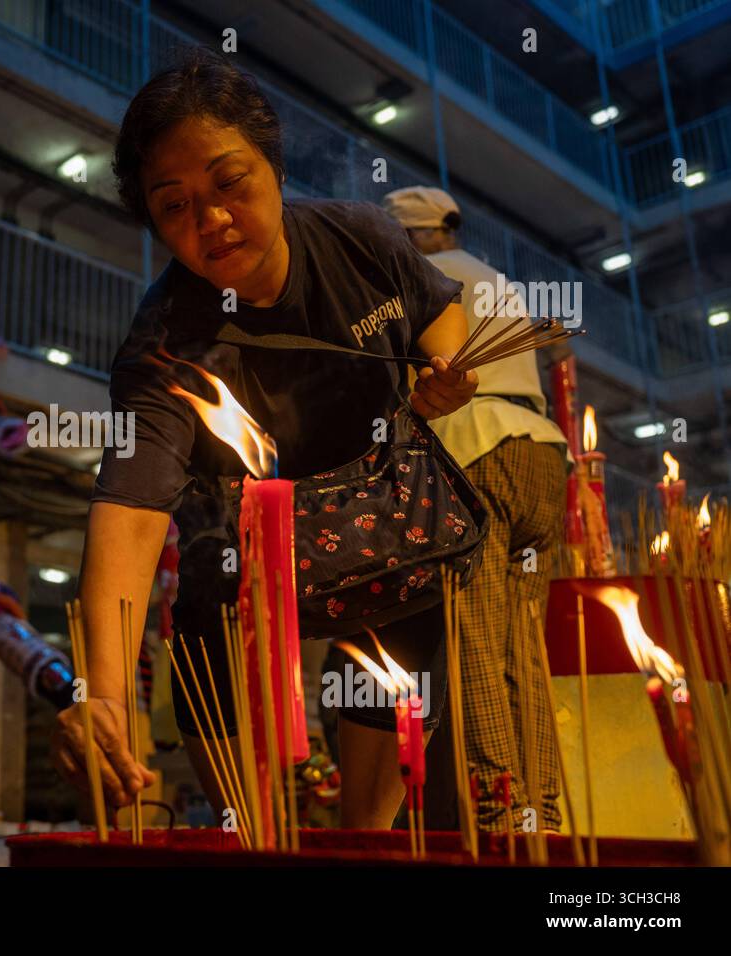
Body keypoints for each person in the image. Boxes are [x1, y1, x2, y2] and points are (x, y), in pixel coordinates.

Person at [51, 49, 478, 829]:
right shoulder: (165, 345)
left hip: (379, 525)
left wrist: (440, 370)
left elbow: (441, 311)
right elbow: (131, 512)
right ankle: (250, 830)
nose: (209, 220)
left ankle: (364, 835)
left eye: (228, 182)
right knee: (209, 582)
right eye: (173, 205)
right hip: (245, 558)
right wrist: (103, 697)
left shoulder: (362, 241)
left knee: (408, 602)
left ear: (273, 164)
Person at [383, 186, 571, 832]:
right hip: (544, 458)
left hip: (477, 451)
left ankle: (498, 805)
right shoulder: (499, 282)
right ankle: (542, 810)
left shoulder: (419, 278)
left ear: (410, 240)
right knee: (527, 646)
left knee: (476, 633)